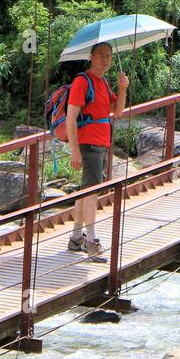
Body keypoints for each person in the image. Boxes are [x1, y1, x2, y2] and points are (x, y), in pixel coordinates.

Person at [66, 42, 128, 260]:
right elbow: (71, 118)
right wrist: (74, 151)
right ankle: (91, 241)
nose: (105, 59)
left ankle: (76, 238)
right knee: (92, 191)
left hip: (101, 143)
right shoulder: (82, 82)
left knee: (86, 190)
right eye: (101, 55)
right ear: (91, 57)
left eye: (109, 56)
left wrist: (122, 88)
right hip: (89, 144)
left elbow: (117, 111)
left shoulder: (102, 82)